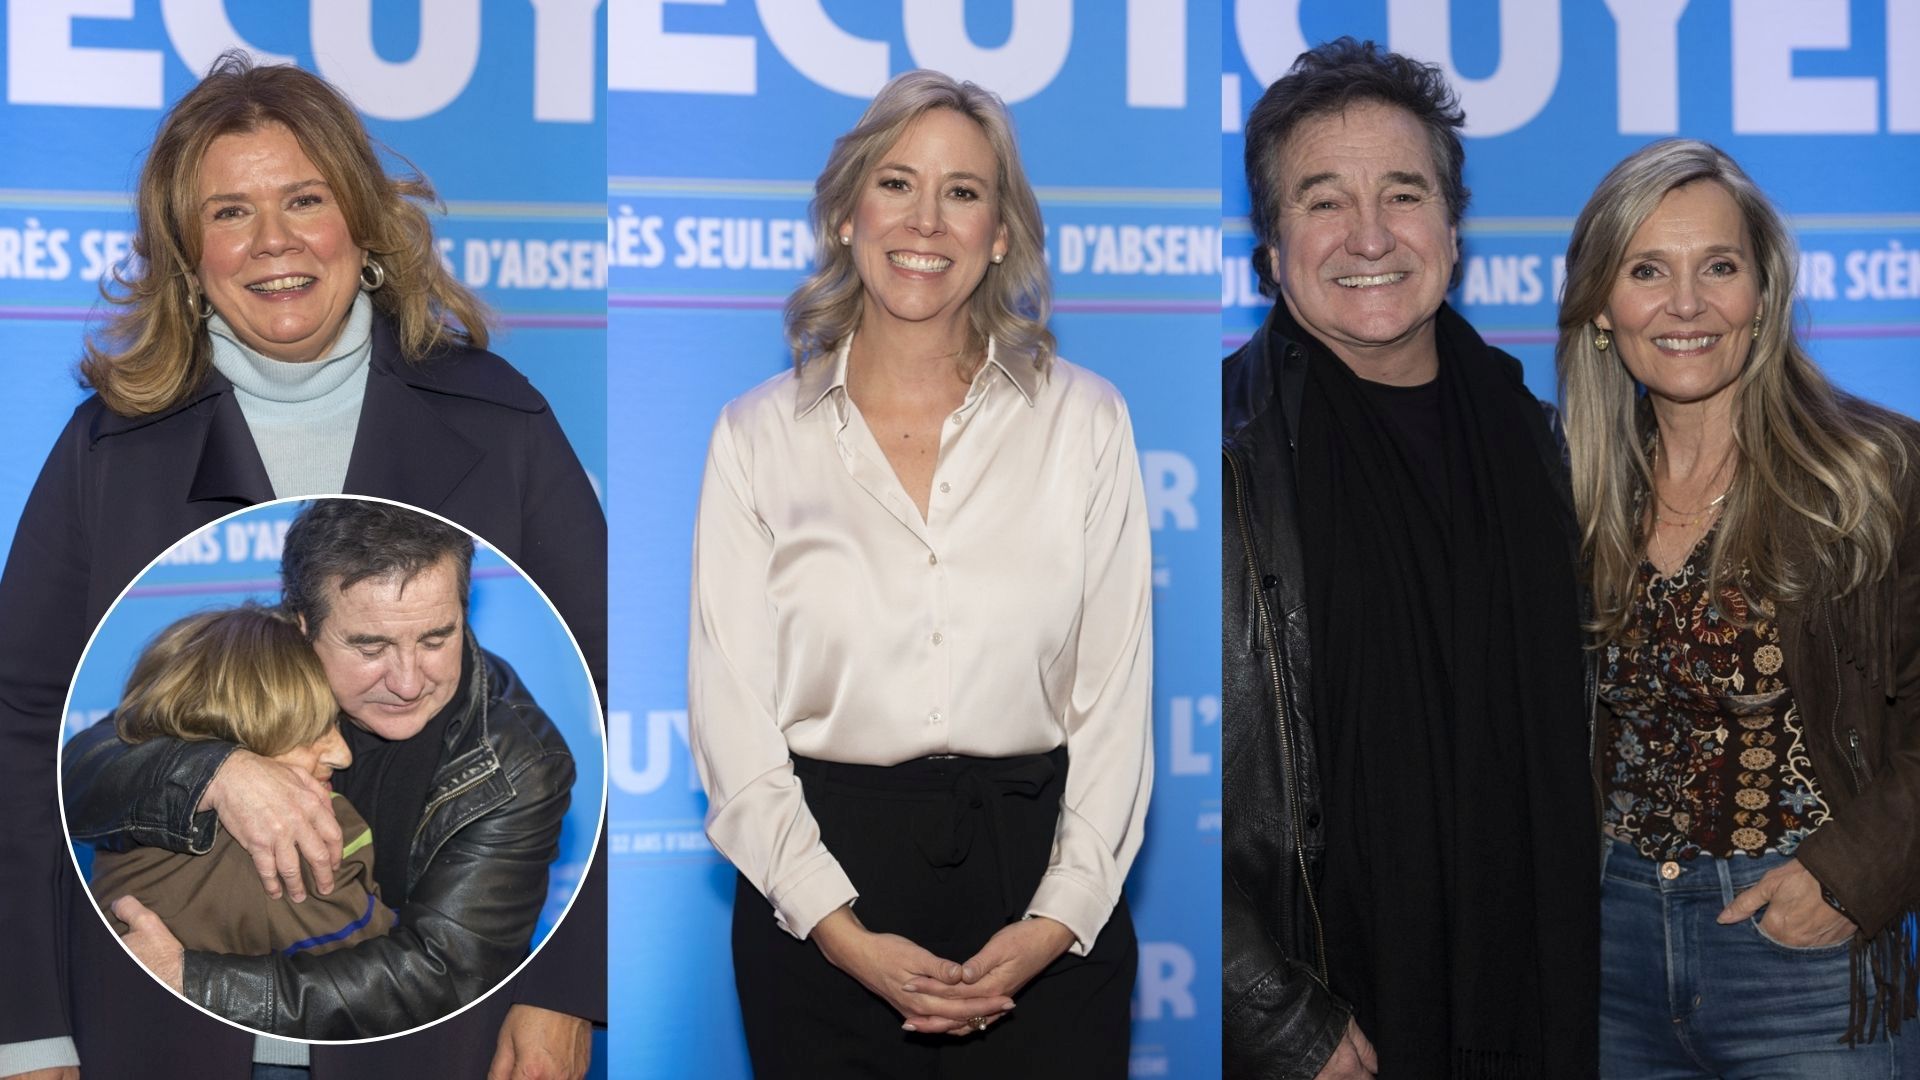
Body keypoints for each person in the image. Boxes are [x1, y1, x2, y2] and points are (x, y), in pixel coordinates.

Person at [0, 52, 604, 1079]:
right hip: (154, 1015)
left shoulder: (500, 425)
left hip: (422, 1032)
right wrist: (27, 1028)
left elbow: (611, 693)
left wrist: (565, 991)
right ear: (187, 254)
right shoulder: (110, 448)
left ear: (361, 225)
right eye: (229, 212)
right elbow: (21, 731)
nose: (272, 242)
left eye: (304, 200)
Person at [688, 69, 1153, 1077]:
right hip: (820, 901)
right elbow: (734, 729)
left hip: (1043, 895)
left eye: (964, 191)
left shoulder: (1086, 422)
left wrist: (1054, 923)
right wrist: (843, 934)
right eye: (897, 183)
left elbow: (1113, 707)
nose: (926, 221)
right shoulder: (755, 438)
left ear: (999, 233)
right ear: (848, 214)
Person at [1222, 38, 1596, 1078]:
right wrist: (1275, 1016)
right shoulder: (1209, 460)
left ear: (1451, 227)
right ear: (1269, 245)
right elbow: (1121, 786)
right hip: (1329, 1016)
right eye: (1323, 200)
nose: (1370, 235)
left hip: (1549, 1004)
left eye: (1403, 192)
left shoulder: (1549, 447)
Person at [1557, 138, 1920, 1077]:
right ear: (1602, 303)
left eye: (1718, 266)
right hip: (1608, 959)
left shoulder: (1873, 477)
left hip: (1802, 948)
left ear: (1763, 296)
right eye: (1647, 270)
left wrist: (1849, 880)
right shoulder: (1569, 496)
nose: (1686, 304)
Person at [64, 500, 573, 1041]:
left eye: (435, 639)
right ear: (303, 624)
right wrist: (218, 773)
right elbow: (85, 764)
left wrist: (192, 982)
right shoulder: (264, 661)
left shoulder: (518, 762)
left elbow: (442, 974)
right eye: (369, 645)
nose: (407, 681)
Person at [86, 605, 395, 960]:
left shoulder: (121, 832)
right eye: (309, 733)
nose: (342, 755)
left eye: (334, 723)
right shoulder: (311, 842)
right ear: (232, 736)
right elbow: (389, 990)